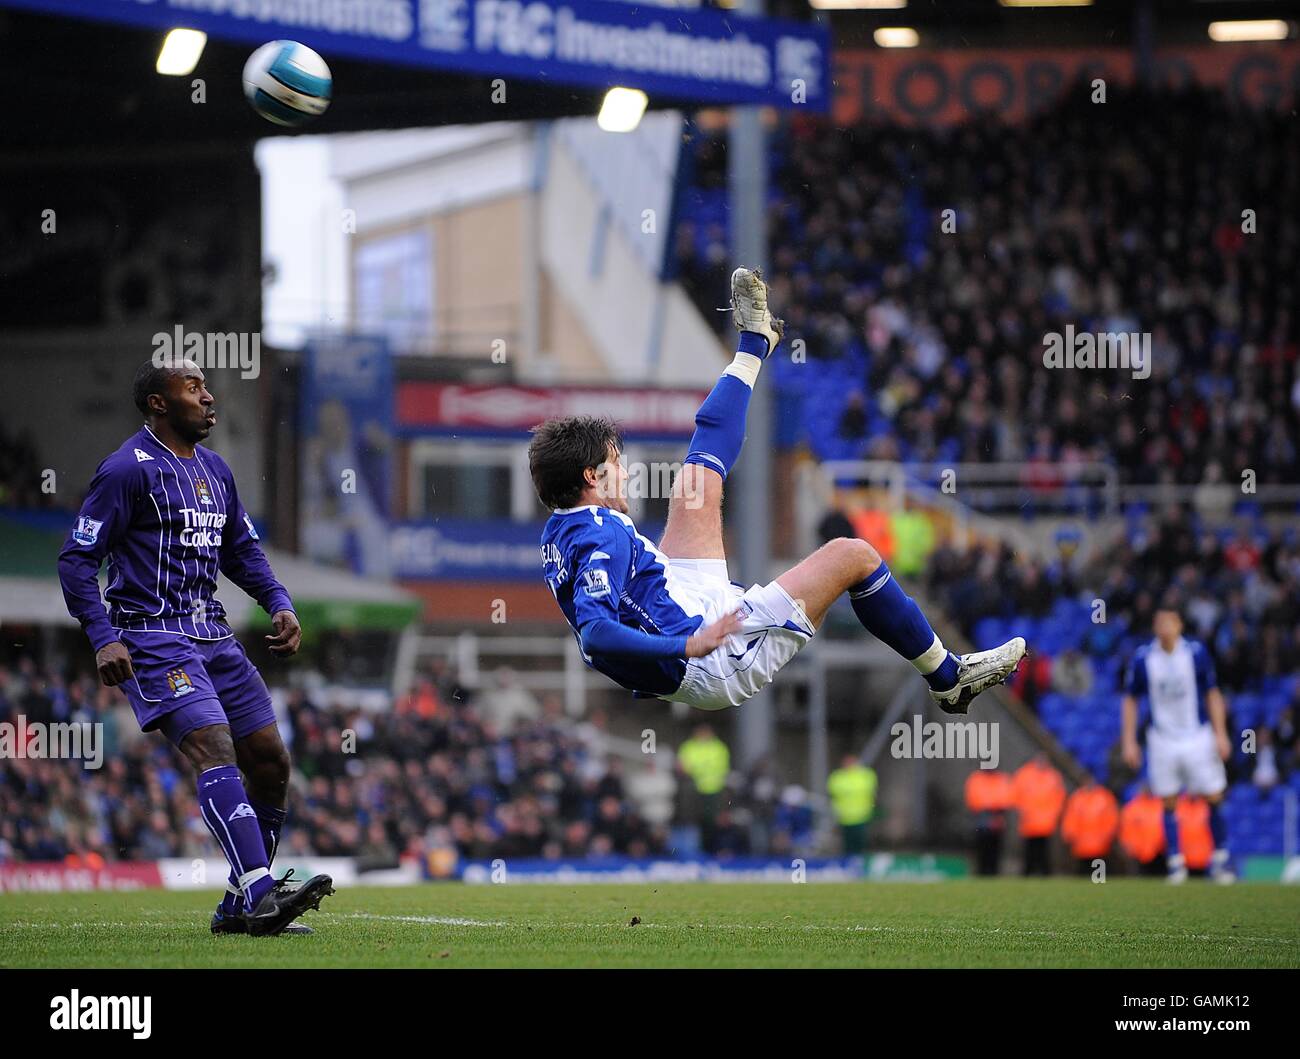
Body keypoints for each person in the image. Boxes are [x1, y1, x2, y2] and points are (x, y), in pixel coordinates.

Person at [529, 268, 1026, 716]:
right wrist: (687, 647)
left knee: (695, 484)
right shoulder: (597, 533)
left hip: (678, 599)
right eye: (617, 465)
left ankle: (754, 342)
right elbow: (595, 635)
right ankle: (949, 678)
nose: (628, 475)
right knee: (852, 556)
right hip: (708, 655)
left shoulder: (565, 528)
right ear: (591, 477)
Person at [57, 358, 334, 935]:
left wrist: (278, 601)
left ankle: (238, 905)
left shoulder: (215, 471)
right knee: (214, 747)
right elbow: (77, 560)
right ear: (159, 403)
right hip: (153, 637)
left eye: (208, 387)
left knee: (271, 761)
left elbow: (241, 550)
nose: (209, 398)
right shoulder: (125, 471)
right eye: (194, 388)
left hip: (214, 634)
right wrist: (103, 637)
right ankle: (260, 890)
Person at [1120, 606, 1235, 884]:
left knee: (1213, 795)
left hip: (1197, 735)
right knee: (1168, 799)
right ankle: (1175, 862)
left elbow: (1212, 693)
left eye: (1170, 622)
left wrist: (1221, 734)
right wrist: (1129, 741)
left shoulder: (1195, 653)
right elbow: (1130, 699)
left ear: (1180, 625)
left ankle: (1219, 860)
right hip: (1162, 739)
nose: (1164, 628)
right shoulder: (1143, 657)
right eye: (1159, 623)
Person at [1012, 755, 1065, 876]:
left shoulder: (1053, 776)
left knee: (1044, 850)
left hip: (1046, 821)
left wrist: (1054, 814)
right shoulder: (1024, 774)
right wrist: (1023, 810)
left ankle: (1044, 872)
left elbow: (1059, 797)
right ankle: (1028, 872)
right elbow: (1016, 794)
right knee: (1029, 850)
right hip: (1029, 820)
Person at [964, 767, 1014, 875]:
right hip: (981, 817)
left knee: (995, 849)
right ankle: (981, 873)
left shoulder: (1002, 778)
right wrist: (989, 805)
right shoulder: (976, 778)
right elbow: (972, 798)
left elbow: (1007, 798)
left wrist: (994, 807)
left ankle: (994, 873)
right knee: (982, 849)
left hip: (998, 816)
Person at [826, 754, 877, 855]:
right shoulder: (838, 776)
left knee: (860, 841)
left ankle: (859, 860)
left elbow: (869, 788)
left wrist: (847, 791)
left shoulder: (865, 774)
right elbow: (833, 790)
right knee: (847, 842)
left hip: (861, 814)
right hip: (844, 815)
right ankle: (849, 861)